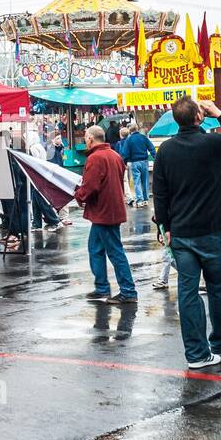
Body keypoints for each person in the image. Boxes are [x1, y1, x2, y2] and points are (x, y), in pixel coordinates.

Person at [152, 97, 221, 369]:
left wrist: (165, 228)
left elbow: (160, 193)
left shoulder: (166, 151)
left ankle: (196, 353)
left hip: (181, 232)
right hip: (213, 228)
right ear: (198, 117)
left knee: (188, 291)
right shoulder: (211, 144)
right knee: (217, 289)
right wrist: (219, 113)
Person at [74, 125, 137, 305]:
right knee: (96, 248)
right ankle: (102, 287)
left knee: (114, 251)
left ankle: (128, 290)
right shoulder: (115, 156)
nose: (85, 140)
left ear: (91, 139)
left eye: (86, 137)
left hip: (103, 211)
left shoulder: (95, 158)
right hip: (111, 209)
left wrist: (78, 195)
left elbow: (91, 186)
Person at [119, 125, 157, 210]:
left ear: (130, 130)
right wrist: (156, 158)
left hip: (134, 162)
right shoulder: (143, 137)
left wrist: (124, 163)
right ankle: (146, 199)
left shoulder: (129, 139)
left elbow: (125, 153)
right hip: (144, 161)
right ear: (137, 129)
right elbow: (151, 148)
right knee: (145, 180)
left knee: (137, 181)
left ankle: (139, 200)